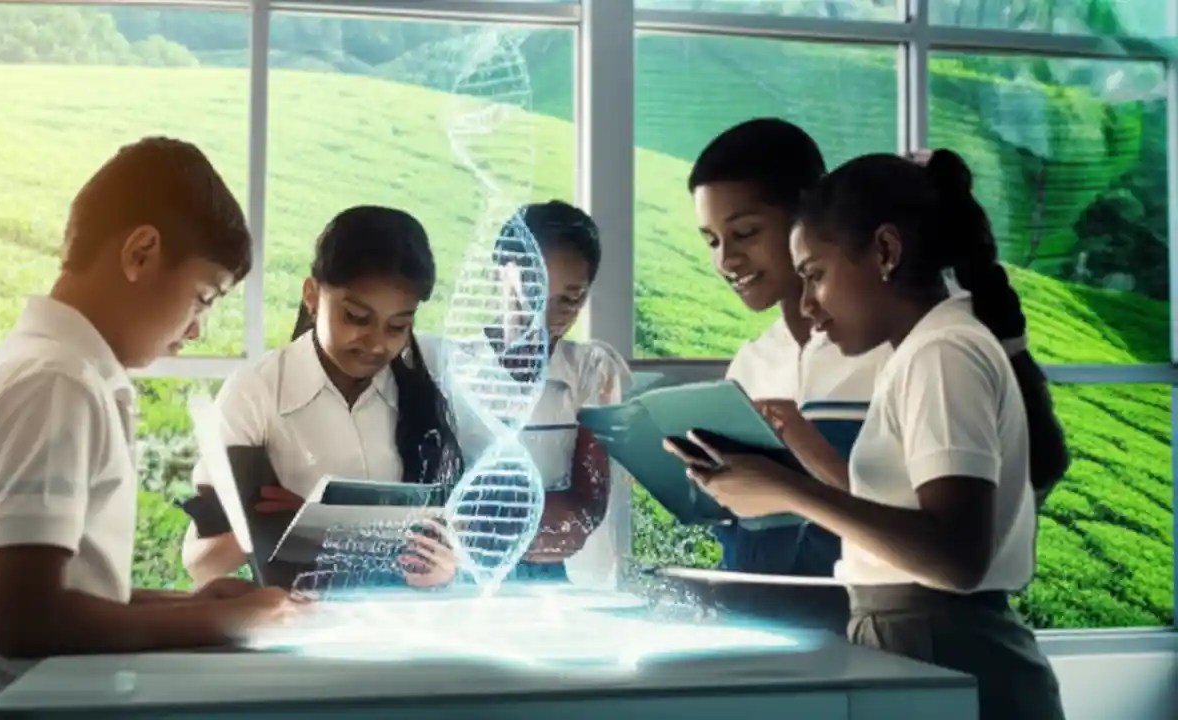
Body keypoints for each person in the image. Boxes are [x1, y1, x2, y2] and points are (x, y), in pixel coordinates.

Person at [0, 137, 297, 719]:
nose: (195, 331)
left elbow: (60, 595)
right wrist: (220, 620)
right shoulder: (57, 382)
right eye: (202, 298)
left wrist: (188, 604)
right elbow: (26, 621)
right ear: (141, 252)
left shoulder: (54, 366)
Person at [668, 150, 1066, 720]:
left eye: (816, 276)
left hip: (940, 645)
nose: (808, 306)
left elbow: (955, 556)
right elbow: (905, 512)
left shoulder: (943, 353)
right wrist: (805, 448)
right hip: (917, 640)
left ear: (885, 251)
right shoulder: (925, 350)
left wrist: (789, 490)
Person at [181, 206, 461, 592]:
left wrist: (444, 565)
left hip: (403, 625)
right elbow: (201, 563)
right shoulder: (255, 394)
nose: (377, 343)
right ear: (312, 295)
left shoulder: (424, 389)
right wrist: (289, 529)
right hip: (299, 631)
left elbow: (454, 538)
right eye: (357, 318)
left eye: (398, 326)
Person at [688, 118, 886, 578]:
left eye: (745, 233)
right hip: (766, 619)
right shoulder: (750, 365)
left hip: (869, 618)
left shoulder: (888, 347)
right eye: (713, 241)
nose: (726, 261)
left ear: (806, 215)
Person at [437, 200, 630, 585]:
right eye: (532, 291)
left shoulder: (592, 369)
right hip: (462, 583)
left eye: (570, 298)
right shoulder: (449, 365)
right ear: (499, 275)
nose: (546, 314)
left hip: (573, 584)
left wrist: (477, 528)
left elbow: (583, 510)